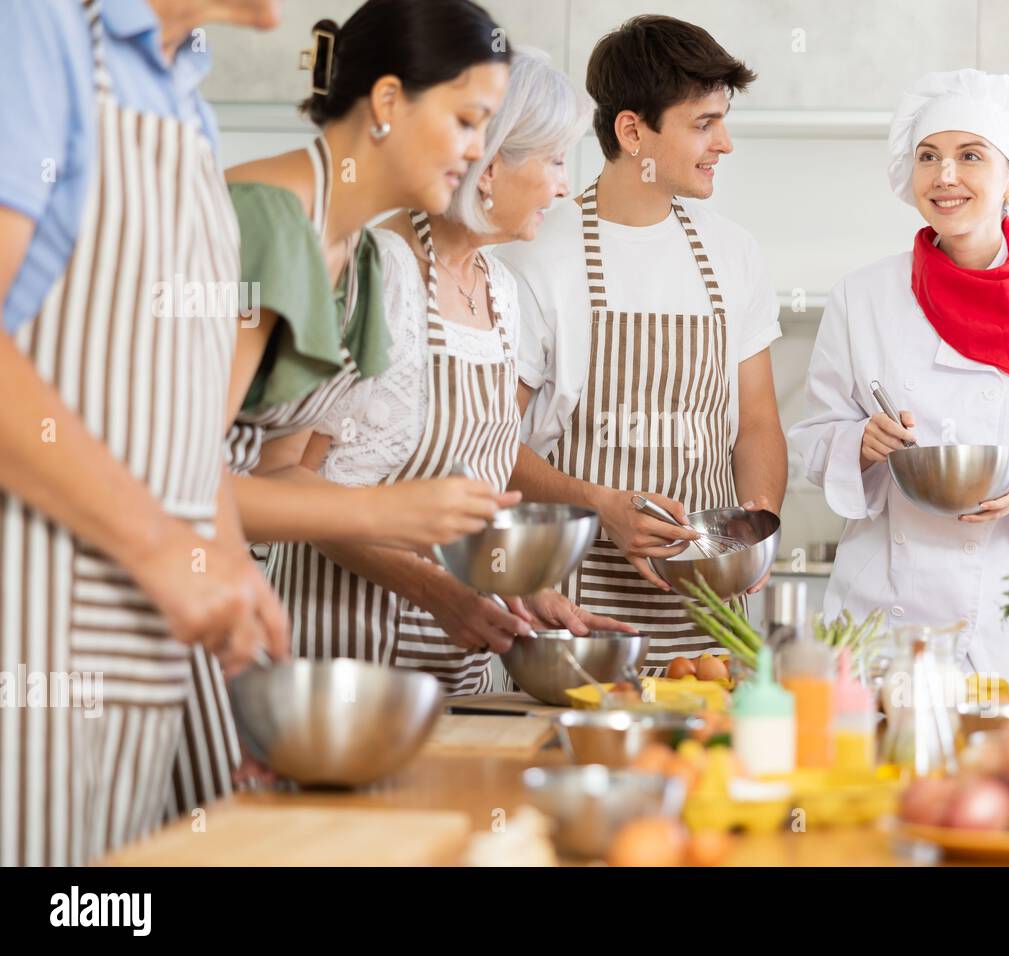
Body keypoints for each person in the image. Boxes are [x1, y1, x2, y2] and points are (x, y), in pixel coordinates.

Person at [172, 0, 516, 814]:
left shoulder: (358, 260)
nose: (477, 153)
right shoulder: (266, 222)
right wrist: (388, 509)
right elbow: (178, 478)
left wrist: (438, 540)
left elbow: (282, 475)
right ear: (389, 102)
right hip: (119, 582)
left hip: (207, 598)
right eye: (468, 121)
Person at [0, 0, 288, 866]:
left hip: (137, 647)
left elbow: (184, 405)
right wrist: (161, 545)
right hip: (28, 618)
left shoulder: (182, 95)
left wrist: (225, 561)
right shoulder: (34, 26)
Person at [279, 49, 633, 696]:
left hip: (456, 671)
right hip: (344, 668)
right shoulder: (372, 273)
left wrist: (526, 590)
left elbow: (474, 500)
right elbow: (293, 488)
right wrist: (436, 590)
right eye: (555, 161)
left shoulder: (499, 290)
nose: (564, 186)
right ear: (492, 166)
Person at [788, 69, 1009, 694]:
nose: (945, 176)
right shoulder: (862, 297)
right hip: (883, 617)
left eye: (970, 156)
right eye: (929, 157)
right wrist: (857, 443)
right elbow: (814, 437)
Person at [498, 16, 787, 674]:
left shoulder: (733, 254)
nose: (726, 143)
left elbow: (759, 423)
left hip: (710, 619)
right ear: (633, 132)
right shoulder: (539, 253)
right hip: (578, 618)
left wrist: (753, 526)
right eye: (704, 123)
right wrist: (602, 505)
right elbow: (488, 443)